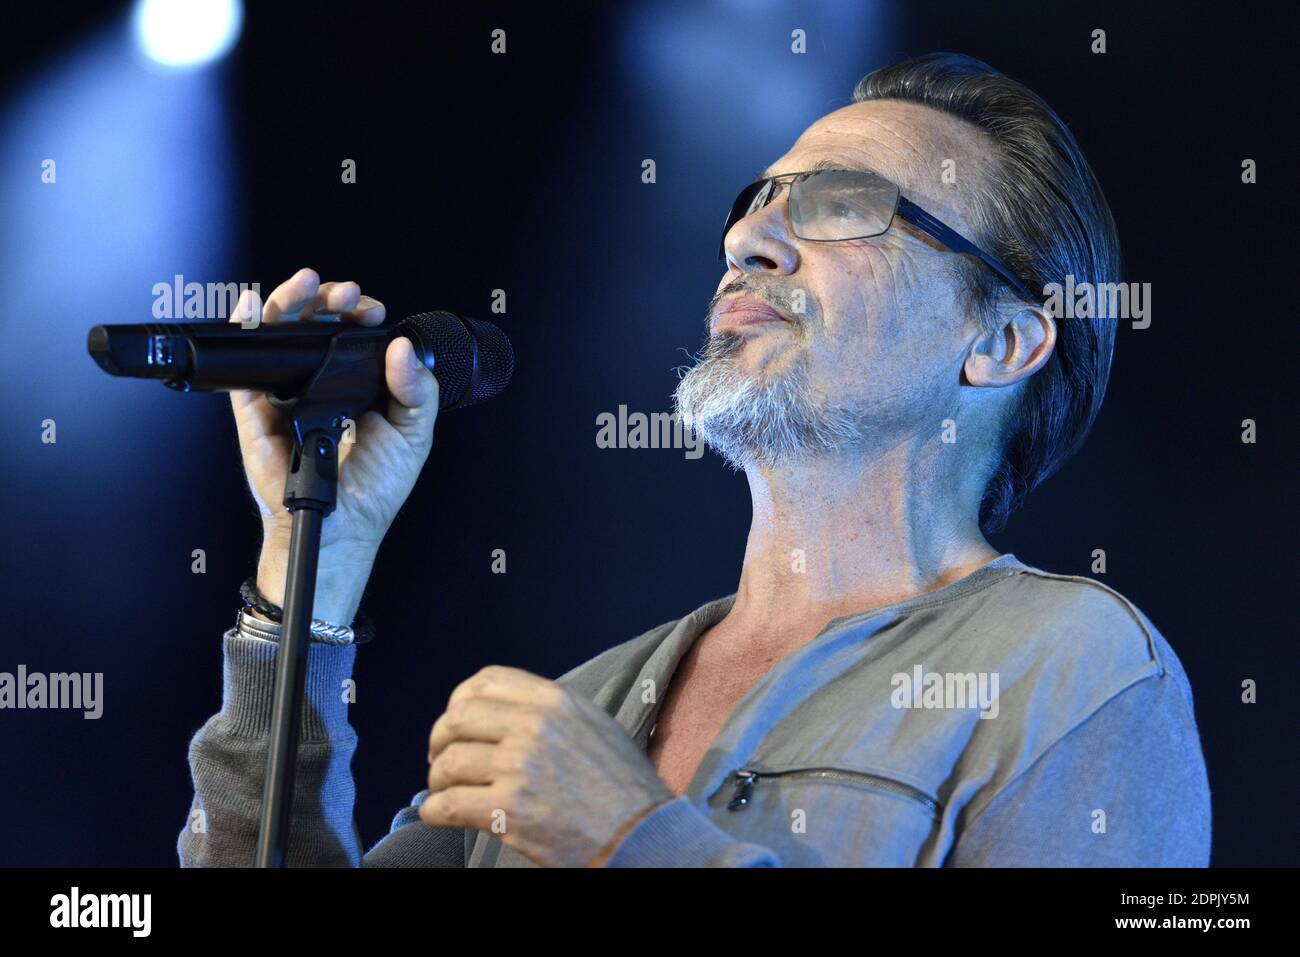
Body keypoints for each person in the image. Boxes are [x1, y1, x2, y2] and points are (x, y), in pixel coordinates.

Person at [180, 53, 1210, 868]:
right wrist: (310, 558)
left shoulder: (1074, 666)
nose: (750, 240)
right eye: (760, 200)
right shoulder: (585, 702)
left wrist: (633, 841)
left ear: (1001, 343)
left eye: (843, 205)